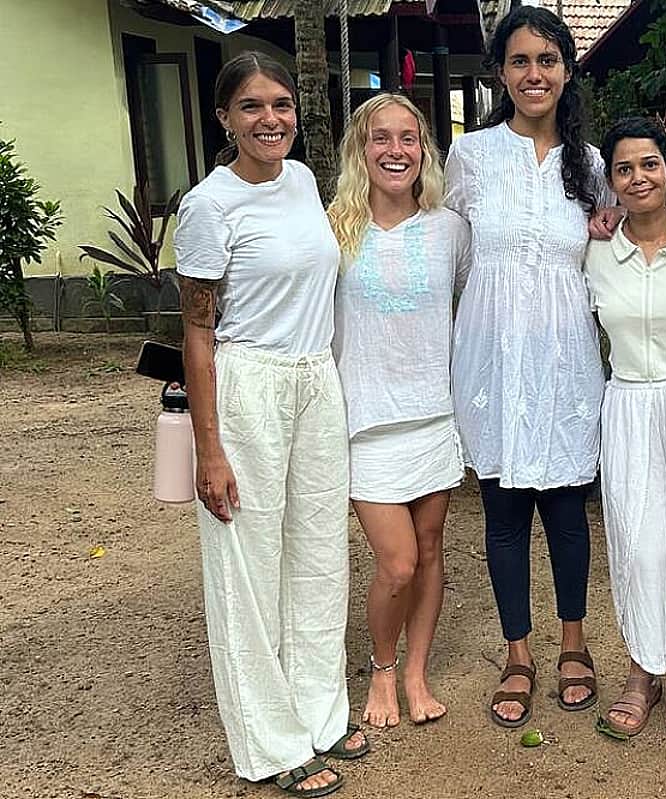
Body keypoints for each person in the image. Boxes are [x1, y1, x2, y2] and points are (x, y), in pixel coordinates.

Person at [175, 51, 367, 798]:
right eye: (251, 107)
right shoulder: (209, 204)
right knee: (247, 567)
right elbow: (198, 330)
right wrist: (210, 446)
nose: (270, 120)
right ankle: (269, 741)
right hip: (248, 382)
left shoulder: (301, 182)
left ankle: (318, 713)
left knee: (319, 556)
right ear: (224, 117)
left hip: (316, 377)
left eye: (281, 105)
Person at [444, 6, 613, 728]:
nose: (534, 74)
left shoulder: (593, 163)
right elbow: (449, 254)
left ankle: (574, 643)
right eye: (520, 61)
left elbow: (612, 240)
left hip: (566, 361)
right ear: (500, 72)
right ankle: (519, 653)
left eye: (547, 59)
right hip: (494, 359)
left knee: (567, 514)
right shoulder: (471, 157)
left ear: (566, 69)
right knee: (505, 513)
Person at [328, 94, 470, 729]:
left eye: (408, 139)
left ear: (424, 150)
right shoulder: (331, 231)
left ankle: (417, 672)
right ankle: (382, 670)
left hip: (434, 416)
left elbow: (469, 301)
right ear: (362, 150)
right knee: (398, 562)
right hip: (365, 422)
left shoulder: (450, 230)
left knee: (432, 550)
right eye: (380, 138)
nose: (395, 151)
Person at [584, 117, 666, 737]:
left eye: (649, 165)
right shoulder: (594, 252)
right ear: (611, 182)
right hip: (629, 402)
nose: (638, 178)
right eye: (624, 169)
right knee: (637, 540)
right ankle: (642, 671)